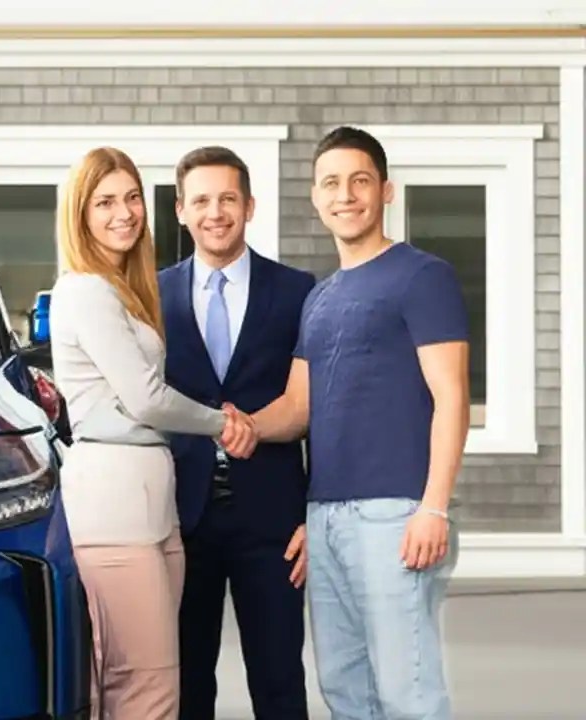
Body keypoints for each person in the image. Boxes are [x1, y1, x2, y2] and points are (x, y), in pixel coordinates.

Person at [253, 126, 469, 720]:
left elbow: (452, 397)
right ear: (315, 198)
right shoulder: (319, 298)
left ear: (386, 191)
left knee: (407, 693)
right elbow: (296, 409)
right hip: (326, 519)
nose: (344, 194)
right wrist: (225, 424)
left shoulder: (422, 276)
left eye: (359, 181)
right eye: (331, 183)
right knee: (346, 689)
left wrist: (433, 507)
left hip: (396, 514)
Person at [49, 146, 256, 720]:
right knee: (148, 689)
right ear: (80, 214)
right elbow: (146, 397)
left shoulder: (121, 289)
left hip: (151, 503)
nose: (125, 213)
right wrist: (223, 423)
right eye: (106, 202)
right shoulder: (87, 289)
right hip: (114, 499)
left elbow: (139, 402)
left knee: (135, 683)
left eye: (133, 197)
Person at [158, 146, 315, 720]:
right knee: (188, 685)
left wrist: (312, 513)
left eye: (227, 198)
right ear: (180, 210)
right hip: (180, 521)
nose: (215, 212)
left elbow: (318, 408)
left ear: (250, 205)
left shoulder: (298, 291)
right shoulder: (153, 296)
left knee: (278, 683)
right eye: (201, 200)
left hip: (272, 521)